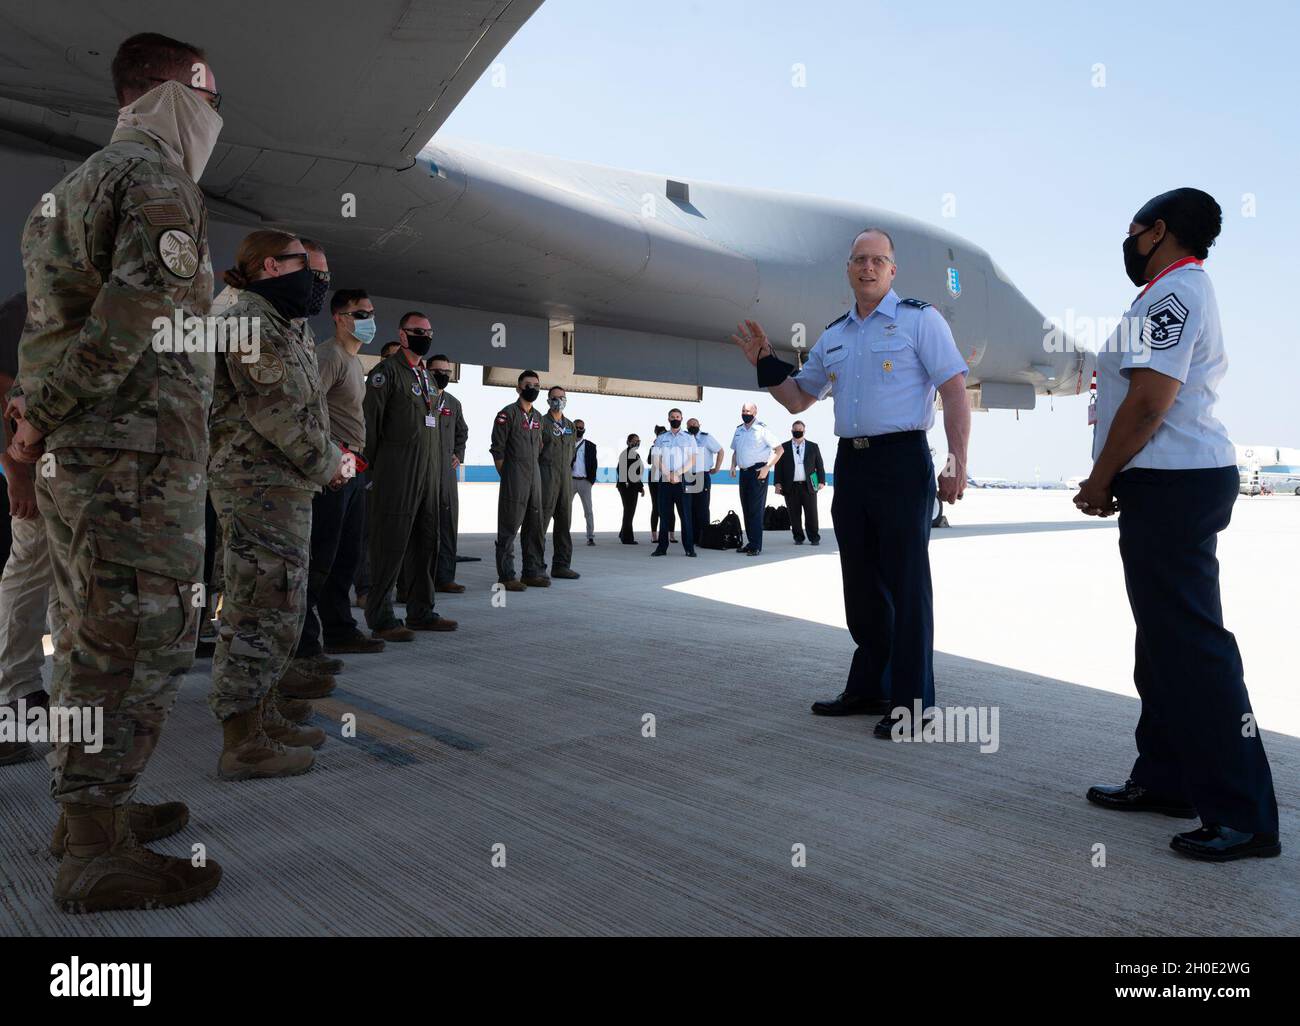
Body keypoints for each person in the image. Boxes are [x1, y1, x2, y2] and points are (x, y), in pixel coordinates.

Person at [11, 32, 227, 910]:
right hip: (130, 460)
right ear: (175, 94)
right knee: (136, 640)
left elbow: (55, 327)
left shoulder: (71, 188)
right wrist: (52, 412)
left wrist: (40, 419)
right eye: (209, 97)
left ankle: (88, 815)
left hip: (95, 459)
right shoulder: (156, 180)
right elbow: (135, 314)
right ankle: (93, 849)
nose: (216, 116)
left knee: (90, 633)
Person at [1077, 188, 1279, 862]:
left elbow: (1148, 402)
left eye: (1133, 228)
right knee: (1163, 642)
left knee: (1192, 648)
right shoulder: (1166, 292)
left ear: (1157, 230)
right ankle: (1164, 778)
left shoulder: (1174, 293)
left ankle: (1244, 814)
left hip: (1174, 480)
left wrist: (1102, 477)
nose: (1127, 240)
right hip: (1166, 480)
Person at [733, 227, 970, 739]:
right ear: (848, 268)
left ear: (892, 270)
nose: (868, 267)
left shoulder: (920, 320)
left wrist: (956, 460)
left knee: (908, 586)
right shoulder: (834, 335)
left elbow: (953, 389)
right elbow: (799, 399)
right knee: (861, 584)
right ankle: (870, 686)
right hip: (854, 466)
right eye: (859, 260)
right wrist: (765, 364)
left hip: (903, 460)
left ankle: (913, 705)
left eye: (878, 260)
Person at [208, 230, 344, 779]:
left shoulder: (277, 320)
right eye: (306, 268)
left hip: (279, 483)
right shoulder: (248, 318)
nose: (316, 282)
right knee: (258, 611)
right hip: (256, 484)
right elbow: (276, 410)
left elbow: (305, 407)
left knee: (277, 607)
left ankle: (261, 719)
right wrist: (328, 462)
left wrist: (321, 461)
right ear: (271, 265)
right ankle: (242, 743)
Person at [287, 289, 385, 690]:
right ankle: (305, 646)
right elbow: (307, 408)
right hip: (335, 466)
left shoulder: (354, 360)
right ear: (339, 317)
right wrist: (330, 460)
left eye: (371, 312)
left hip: (353, 465)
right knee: (322, 556)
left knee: (346, 554)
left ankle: (340, 628)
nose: (369, 319)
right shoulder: (328, 356)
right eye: (360, 313)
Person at [362, 312, 457, 637]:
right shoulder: (385, 374)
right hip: (396, 477)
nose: (425, 337)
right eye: (419, 331)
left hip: (428, 477)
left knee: (425, 545)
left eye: (429, 332)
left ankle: (421, 611)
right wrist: (372, 474)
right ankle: (381, 617)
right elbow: (369, 430)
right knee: (389, 547)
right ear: (402, 335)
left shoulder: (427, 378)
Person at [0, 293, 62, 768]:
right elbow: (5, 391)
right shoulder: (29, 307)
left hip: (73, 468)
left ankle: (57, 693)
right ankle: (15, 692)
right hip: (36, 467)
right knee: (29, 569)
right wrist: (14, 471)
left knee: (68, 578)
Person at [491, 371, 549, 591]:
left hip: (535, 477)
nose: (532, 388)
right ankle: (506, 576)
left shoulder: (538, 417)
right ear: (518, 388)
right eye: (528, 384)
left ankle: (531, 572)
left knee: (535, 527)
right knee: (508, 528)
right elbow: (497, 450)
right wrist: (508, 477)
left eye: (536, 385)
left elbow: (540, 447)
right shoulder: (507, 414)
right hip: (514, 477)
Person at [428, 354, 468, 593]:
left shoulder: (453, 403)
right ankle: (422, 579)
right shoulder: (420, 397)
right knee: (425, 526)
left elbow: (462, 432)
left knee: (448, 524)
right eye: (437, 371)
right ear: (427, 371)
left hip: (447, 473)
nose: (442, 375)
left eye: (447, 372)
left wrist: (458, 454)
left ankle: (445, 577)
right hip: (424, 470)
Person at [728, 403, 783, 555]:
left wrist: (767, 467)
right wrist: (733, 466)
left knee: (755, 510)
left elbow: (779, 450)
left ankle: (756, 545)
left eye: (748, 411)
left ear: (755, 412)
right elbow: (735, 451)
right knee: (746, 508)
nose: (745, 413)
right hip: (743, 473)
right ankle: (751, 542)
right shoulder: (738, 430)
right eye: (743, 410)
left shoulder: (762, 429)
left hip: (758, 472)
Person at [538, 386, 580, 580]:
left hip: (565, 480)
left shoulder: (570, 426)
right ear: (548, 400)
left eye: (562, 398)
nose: (558, 401)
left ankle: (561, 566)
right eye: (554, 398)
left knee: (564, 524)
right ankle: (536, 567)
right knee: (539, 525)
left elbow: (571, 454)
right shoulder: (540, 422)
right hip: (545, 478)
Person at [651, 410, 698, 557]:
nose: (675, 419)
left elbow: (693, 459)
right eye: (672, 417)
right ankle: (661, 548)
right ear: (668, 419)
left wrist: (677, 473)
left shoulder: (689, 438)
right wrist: (668, 474)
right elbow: (656, 458)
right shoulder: (661, 438)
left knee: (685, 516)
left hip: (682, 480)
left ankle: (689, 548)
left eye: (677, 417)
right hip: (665, 480)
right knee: (664, 515)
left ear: (681, 419)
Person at [774, 421, 826, 545]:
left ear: (804, 431)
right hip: (790, 486)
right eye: (795, 429)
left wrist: (822, 481)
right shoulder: (784, 447)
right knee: (794, 514)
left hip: (809, 484)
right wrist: (777, 483)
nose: (798, 431)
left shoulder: (813, 446)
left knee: (812, 514)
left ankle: (814, 537)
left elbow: (820, 465)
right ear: (791, 430)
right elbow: (778, 467)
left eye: (800, 429)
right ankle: (798, 537)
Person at [686, 418, 723, 546]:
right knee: (689, 508)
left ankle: (703, 538)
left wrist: (717, 468)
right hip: (688, 476)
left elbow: (720, 451)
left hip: (702, 475)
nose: (692, 426)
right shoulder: (684, 438)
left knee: (702, 508)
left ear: (699, 425)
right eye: (690, 425)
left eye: (695, 424)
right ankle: (691, 537)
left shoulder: (706, 438)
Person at [571, 419, 598, 545]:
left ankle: (590, 536)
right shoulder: (566, 443)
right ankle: (564, 534)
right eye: (577, 427)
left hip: (584, 482)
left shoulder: (591, 446)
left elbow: (594, 465)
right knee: (565, 510)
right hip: (569, 481)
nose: (579, 429)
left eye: (582, 427)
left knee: (588, 510)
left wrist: (590, 481)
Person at [617, 433, 644, 544]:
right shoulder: (625, 454)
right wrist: (627, 483)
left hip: (633, 486)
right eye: (634, 440)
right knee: (629, 511)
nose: (636, 442)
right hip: (627, 487)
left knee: (629, 511)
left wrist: (640, 486)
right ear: (628, 442)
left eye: (638, 440)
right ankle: (627, 538)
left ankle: (623, 533)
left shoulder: (635, 454)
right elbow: (620, 470)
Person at [647, 424, 666, 543]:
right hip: (654, 477)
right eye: (661, 434)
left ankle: (670, 534)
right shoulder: (653, 447)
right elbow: (649, 460)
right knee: (656, 506)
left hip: (666, 477)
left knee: (668, 507)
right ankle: (654, 535)